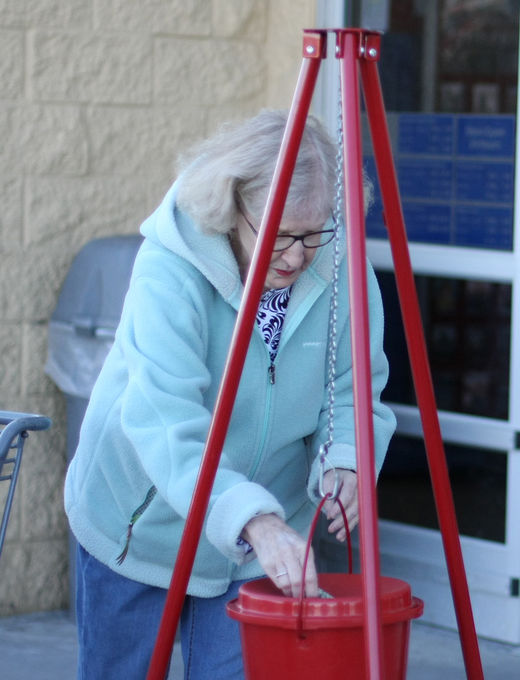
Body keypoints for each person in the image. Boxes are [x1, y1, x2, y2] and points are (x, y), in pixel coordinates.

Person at [64, 109, 396, 679]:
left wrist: (346, 462)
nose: (296, 256)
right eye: (279, 234)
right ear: (232, 208)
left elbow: (350, 389)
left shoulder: (341, 268)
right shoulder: (169, 270)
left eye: (313, 233)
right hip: (140, 527)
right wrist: (256, 522)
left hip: (256, 542)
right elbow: (167, 426)